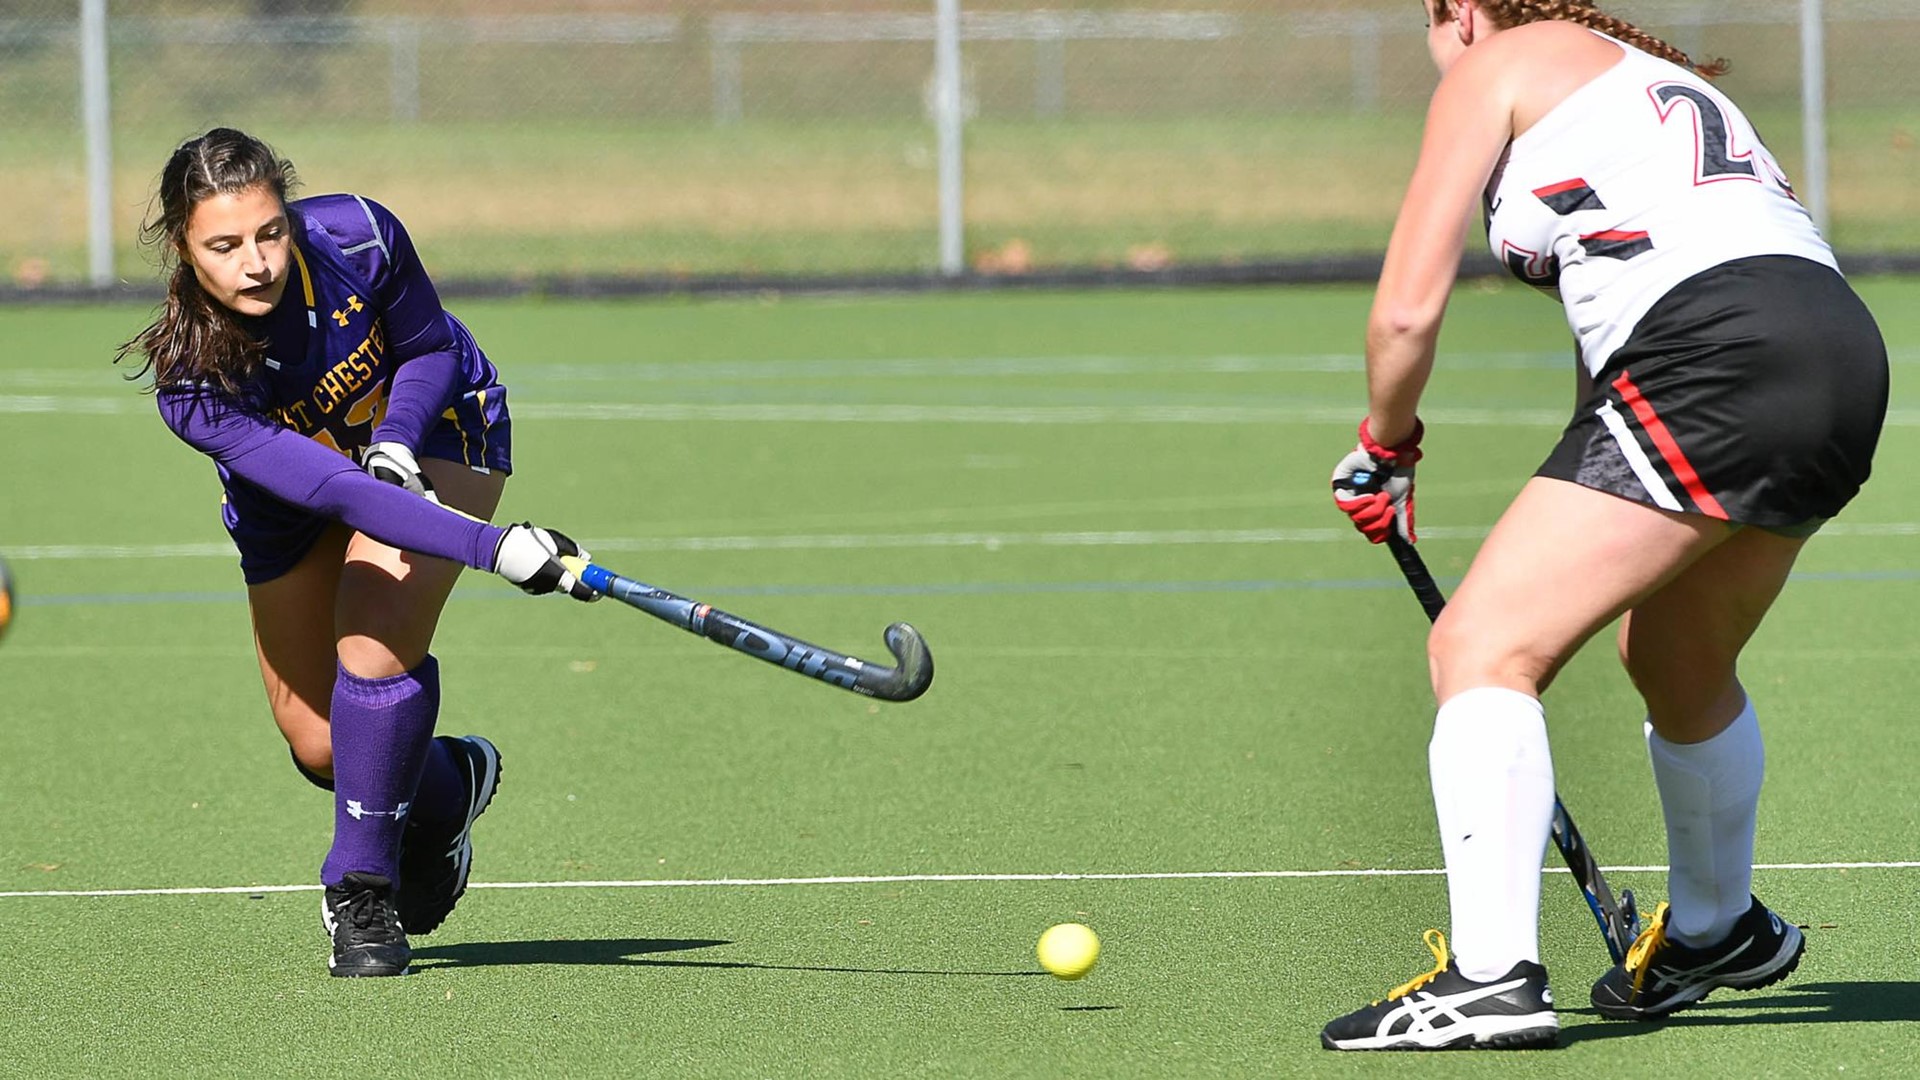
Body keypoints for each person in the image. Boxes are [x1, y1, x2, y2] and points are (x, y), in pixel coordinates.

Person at [1319, 1, 1888, 1051]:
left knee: (1482, 646)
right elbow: (1613, 356)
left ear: (1459, 11)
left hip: (1718, 354)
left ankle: (1491, 981)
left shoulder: (1497, 64)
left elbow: (1404, 308)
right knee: (1675, 656)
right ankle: (1717, 930)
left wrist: (1385, 443)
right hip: (1837, 355)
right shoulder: (1639, 79)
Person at [116, 128, 601, 978]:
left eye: (270, 233)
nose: (256, 263)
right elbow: (339, 493)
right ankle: (447, 789)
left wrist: (398, 436)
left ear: (290, 215)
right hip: (301, 499)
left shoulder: (359, 237)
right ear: (183, 250)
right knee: (322, 745)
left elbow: (429, 347)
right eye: (224, 246)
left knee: (371, 651)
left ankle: (361, 890)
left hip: (443, 429)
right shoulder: (192, 385)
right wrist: (496, 549)